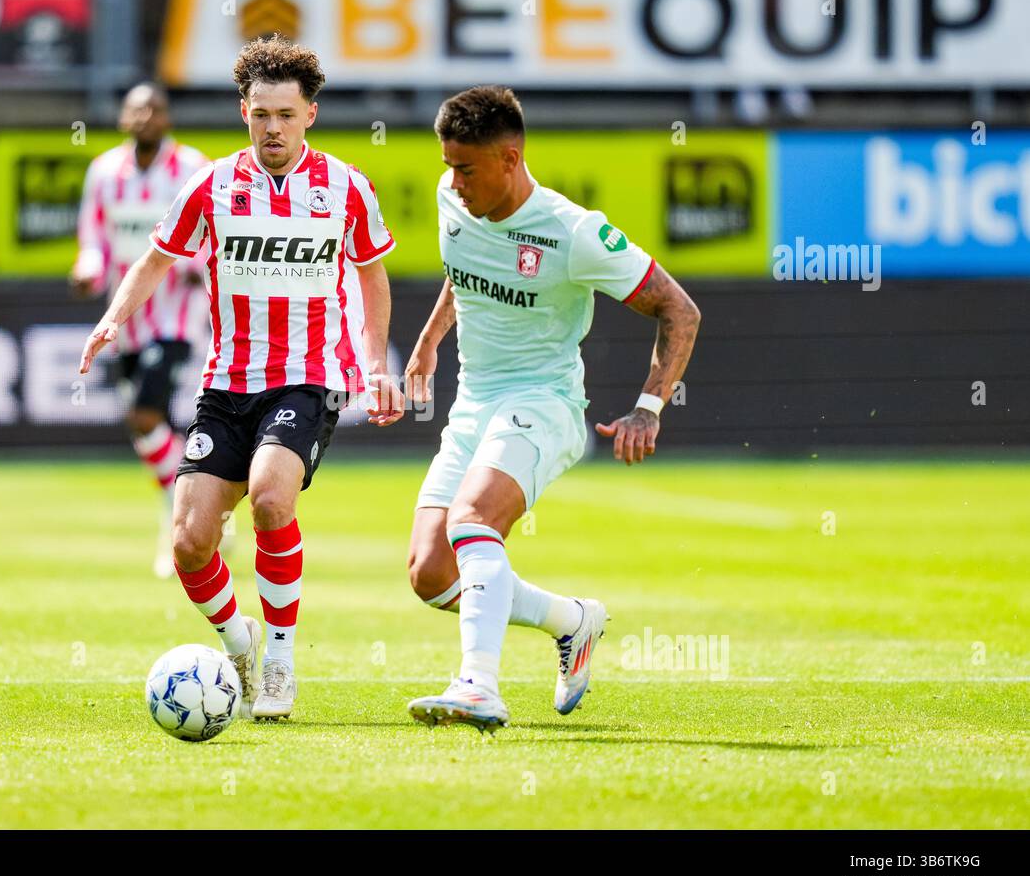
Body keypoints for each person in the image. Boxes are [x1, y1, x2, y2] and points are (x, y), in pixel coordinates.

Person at [79, 37, 405, 720]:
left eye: (286, 114)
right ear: (243, 112)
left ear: (310, 114)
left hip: (308, 377)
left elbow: (373, 275)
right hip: (227, 383)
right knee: (191, 542)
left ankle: (281, 660)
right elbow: (155, 260)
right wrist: (113, 319)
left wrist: (375, 362)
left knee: (268, 499)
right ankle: (239, 639)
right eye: (261, 114)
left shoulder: (346, 187)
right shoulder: (211, 184)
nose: (273, 128)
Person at [404, 86, 701, 731]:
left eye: (467, 169)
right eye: (448, 165)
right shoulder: (450, 197)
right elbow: (464, 269)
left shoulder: (576, 232)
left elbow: (680, 309)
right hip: (473, 404)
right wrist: (429, 342)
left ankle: (477, 686)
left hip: (544, 402)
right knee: (429, 574)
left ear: (511, 158)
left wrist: (649, 407)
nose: (453, 183)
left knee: (475, 517)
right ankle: (573, 620)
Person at [70, 82, 212, 578]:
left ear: (168, 117)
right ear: (123, 117)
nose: (146, 115)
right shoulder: (105, 172)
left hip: (176, 315)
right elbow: (95, 235)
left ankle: (189, 509)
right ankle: (185, 513)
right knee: (146, 425)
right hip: (125, 318)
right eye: (136, 108)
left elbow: (209, 229)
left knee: (146, 415)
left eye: (155, 108)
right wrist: (88, 268)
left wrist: (197, 262)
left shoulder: (192, 167)